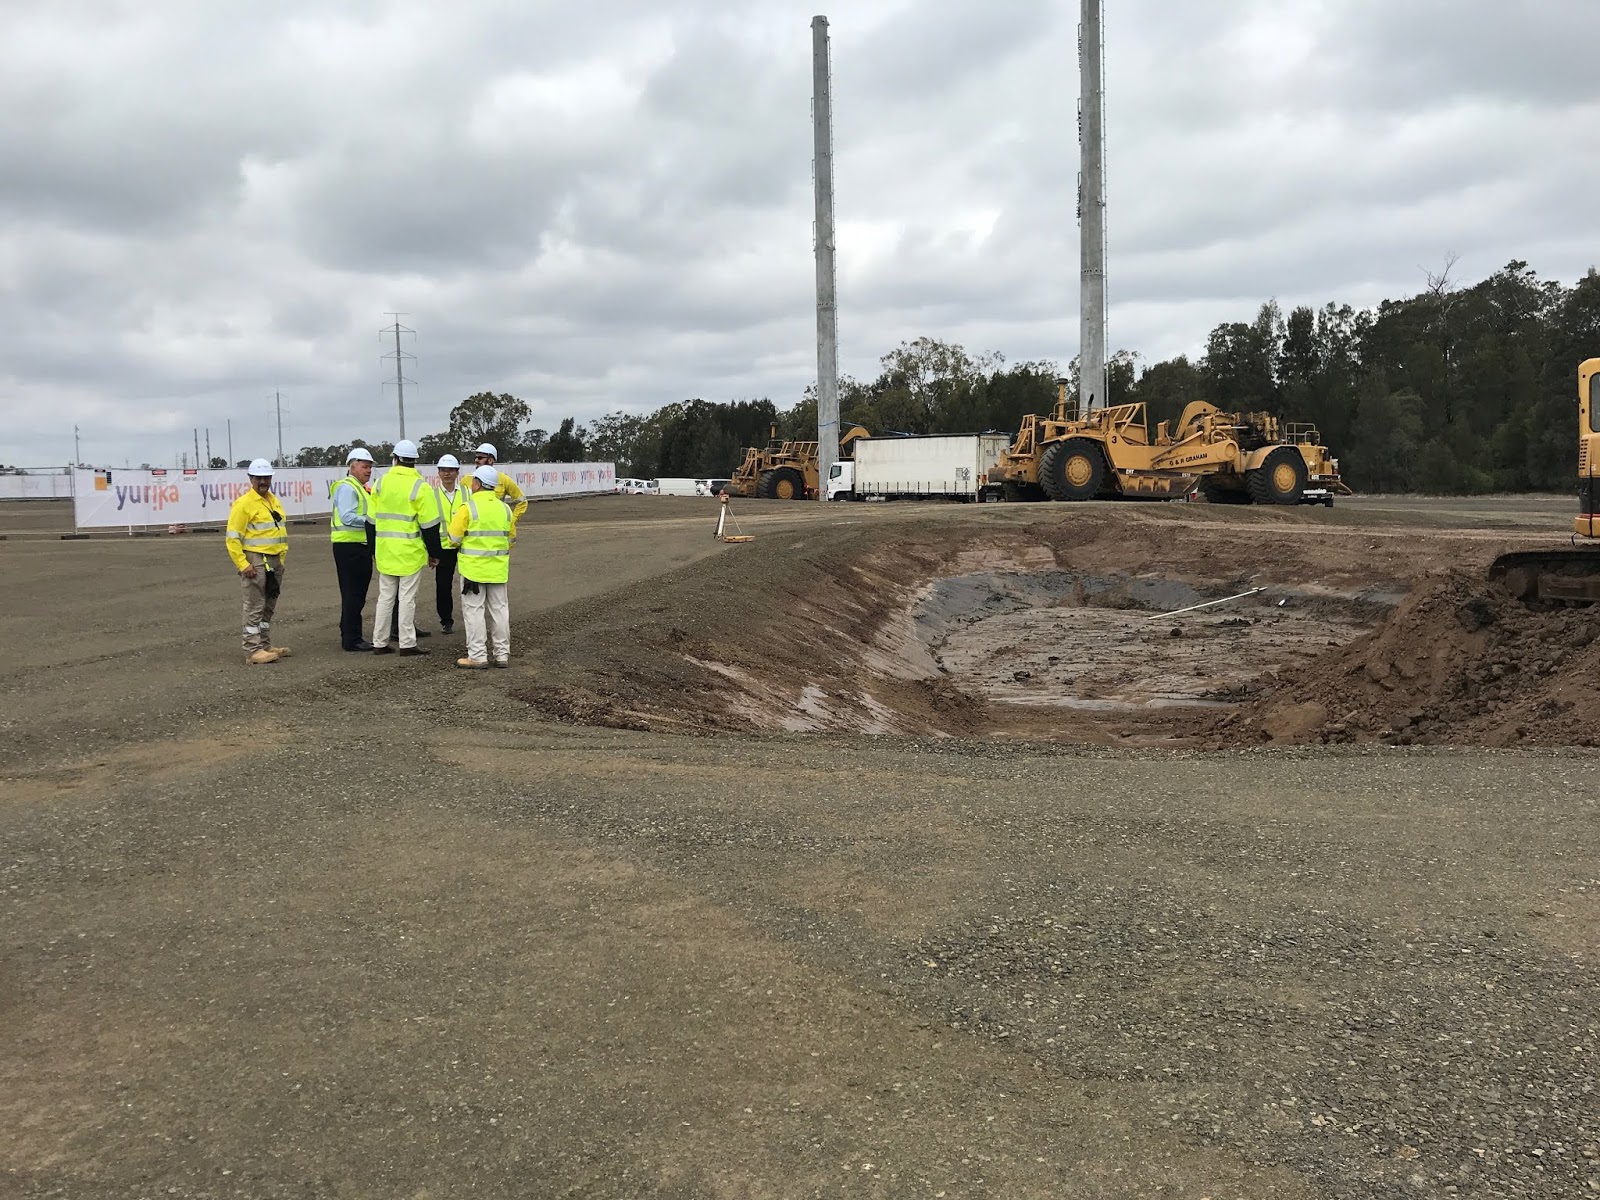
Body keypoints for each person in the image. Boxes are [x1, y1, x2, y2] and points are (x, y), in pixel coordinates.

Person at [370, 440, 443, 656]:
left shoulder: (380, 483)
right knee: (407, 598)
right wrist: (435, 553)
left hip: (384, 550)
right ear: (414, 462)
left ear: (395, 458)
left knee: (385, 597)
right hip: (409, 553)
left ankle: (380, 642)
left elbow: (370, 521)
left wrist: (373, 550)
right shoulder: (421, 486)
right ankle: (407, 643)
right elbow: (430, 526)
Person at [225, 459, 290, 665]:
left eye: (266, 477)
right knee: (254, 605)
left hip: (274, 560)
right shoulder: (243, 504)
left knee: (268, 605)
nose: (263, 481)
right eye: (259, 478)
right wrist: (243, 565)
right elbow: (233, 538)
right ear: (251, 479)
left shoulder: (273, 501)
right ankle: (252, 650)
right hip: (256, 560)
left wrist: (281, 560)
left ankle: (264, 645)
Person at [451, 464, 513, 669]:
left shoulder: (468, 508)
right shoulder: (504, 508)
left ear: (477, 484)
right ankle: (502, 655)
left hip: (473, 571)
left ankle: (477, 655)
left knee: (474, 612)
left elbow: (453, 537)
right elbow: (511, 538)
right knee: (500, 610)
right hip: (498, 569)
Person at [330, 447, 377, 652]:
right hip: (350, 548)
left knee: (355, 594)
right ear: (353, 466)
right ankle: (352, 638)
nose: (368, 471)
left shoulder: (359, 488)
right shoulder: (349, 488)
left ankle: (349, 632)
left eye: (370, 467)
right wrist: (372, 523)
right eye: (365, 466)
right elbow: (348, 517)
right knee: (353, 594)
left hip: (354, 547)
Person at [430, 453, 466, 635]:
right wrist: (432, 550)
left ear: (457, 472)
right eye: (443, 470)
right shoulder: (432, 495)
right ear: (438, 473)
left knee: (469, 584)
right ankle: (446, 620)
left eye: (451, 470)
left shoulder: (467, 493)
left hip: (465, 545)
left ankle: (471, 617)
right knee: (443, 585)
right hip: (444, 547)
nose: (447, 474)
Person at [472, 443, 528, 540]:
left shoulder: (504, 480)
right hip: (475, 530)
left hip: (496, 531)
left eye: (480, 458)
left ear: (490, 460)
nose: (476, 460)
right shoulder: (467, 479)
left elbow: (522, 502)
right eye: (476, 457)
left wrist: (510, 521)